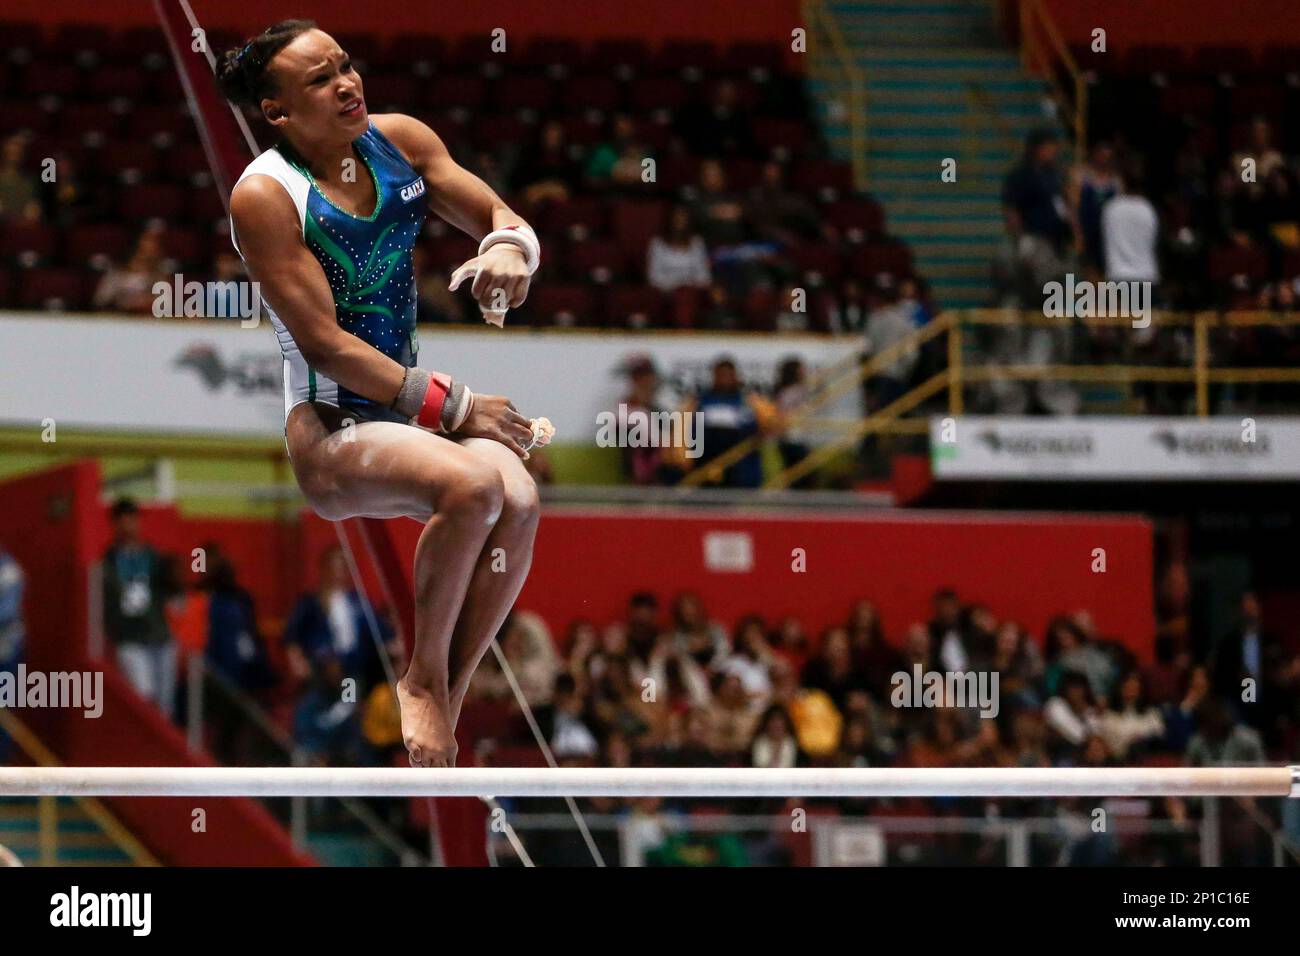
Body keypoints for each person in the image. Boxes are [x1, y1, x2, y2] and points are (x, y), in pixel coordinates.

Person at [217, 20, 548, 768]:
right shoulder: (267, 196)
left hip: (408, 421)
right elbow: (326, 345)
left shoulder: (399, 141)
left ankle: (447, 693)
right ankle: (423, 677)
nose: (347, 84)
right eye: (320, 80)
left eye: (346, 65)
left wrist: (505, 250)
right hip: (333, 432)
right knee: (470, 485)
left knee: (519, 499)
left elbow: (501, 215)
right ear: (276, 112)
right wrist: (461, 407)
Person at [101, 499, 178, 718]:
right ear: (115, 524)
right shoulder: (107, 562)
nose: (128, 526)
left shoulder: (154, 557)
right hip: (129, 638)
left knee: (165, 703)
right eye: (123, 521)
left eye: (132, 520)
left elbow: (171, 593)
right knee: (143, 695)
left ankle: (163, 751)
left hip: (160, 636)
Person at [646, 205, 711, 293]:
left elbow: (704, 276)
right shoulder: (658, 243)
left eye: (683, 221)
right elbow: (653, 277)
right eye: (676, 220)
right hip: (664, 292)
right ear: (670, 221)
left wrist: (687, 287)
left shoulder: (697, 242)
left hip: (691, 292)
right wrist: (676, 286)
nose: (680, 224)